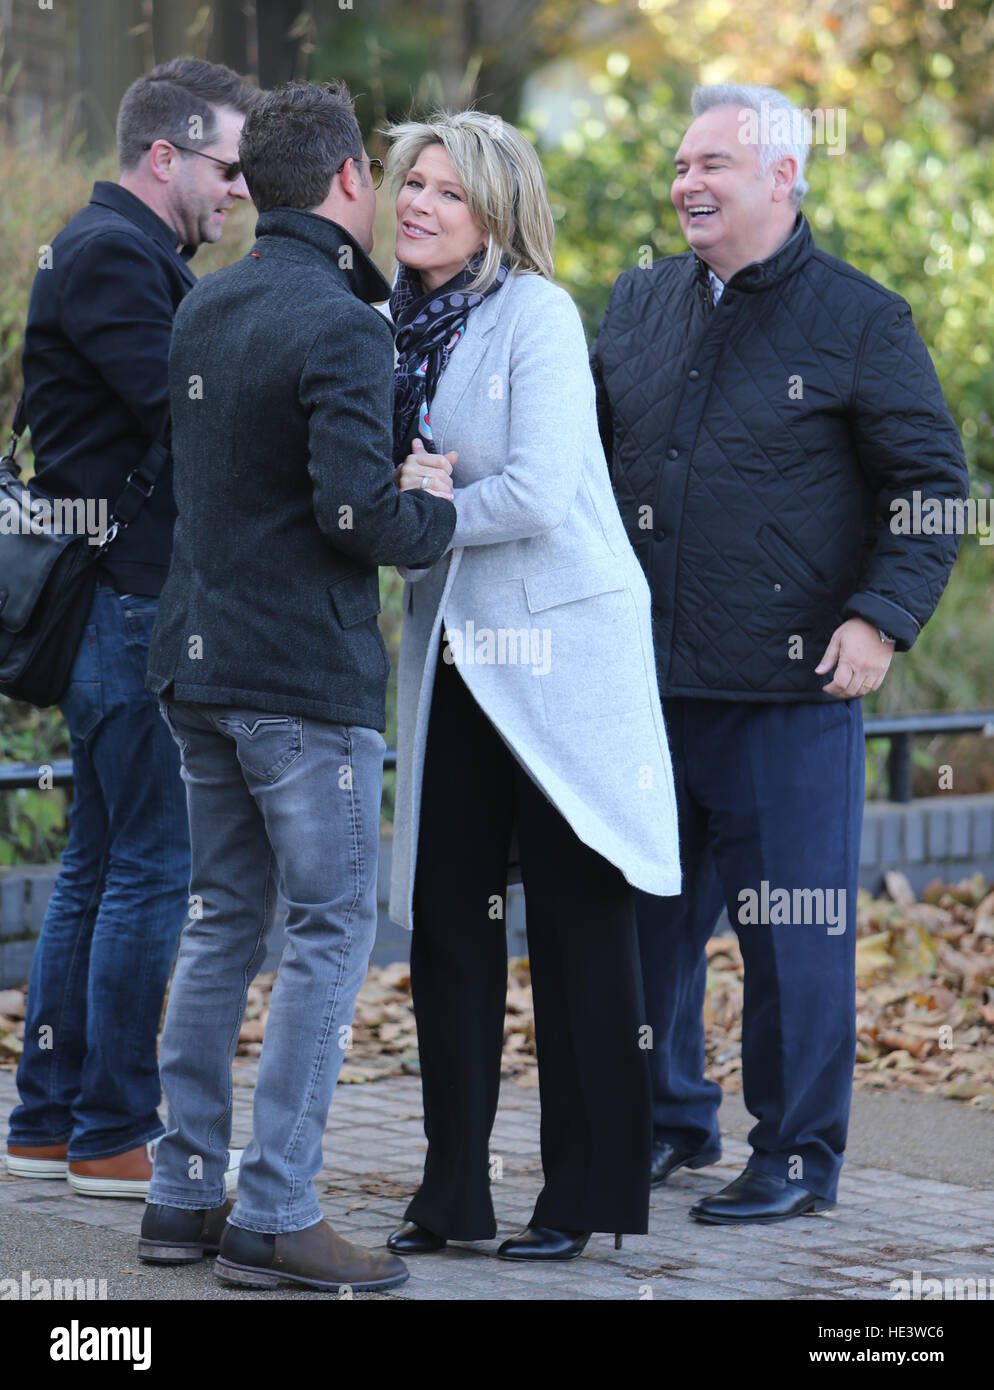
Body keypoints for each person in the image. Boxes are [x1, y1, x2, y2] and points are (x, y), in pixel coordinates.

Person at [590, 83, 968, 1224]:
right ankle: (665, 1122)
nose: (687, 183)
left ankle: (797, 1157)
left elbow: (934, 490)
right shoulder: (638, 302)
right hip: (645, 687)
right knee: (645, 932)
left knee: (790, 943)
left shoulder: (862, 319)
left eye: (713, 163)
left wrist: (879, 617)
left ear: (784, 177)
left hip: (789, 695)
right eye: (679, 164)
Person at [136, 80, 455, 1293]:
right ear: (347, 185)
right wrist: (431, 505)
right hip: (300, 686)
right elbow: (349, 513)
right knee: (328, 934)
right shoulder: (340, 322)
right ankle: (276, 1212)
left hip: (198, 667)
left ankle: (180, 1198)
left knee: (222, 925)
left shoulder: (205, 303)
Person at [383, 110, 681, 1263]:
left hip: (560, 655)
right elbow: (386, 511)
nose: (418, 203)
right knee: (451, 932)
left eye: (448, 193)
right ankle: (450, 1196)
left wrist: (429, 502)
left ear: (496, 214)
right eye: (412, 181)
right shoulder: (379, 326)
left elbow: (545, 493)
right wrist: (410, 500)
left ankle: (585, 1199)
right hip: (455, 655)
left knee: (576, 926)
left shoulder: (537, 318)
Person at [6, 58, 259, 1199]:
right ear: (167, 155)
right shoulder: (115, 255)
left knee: (99, 864)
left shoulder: (116, 249)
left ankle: (53, 1122)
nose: (239, 190)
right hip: (131, 597)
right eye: (226, 166)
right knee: (148, 867)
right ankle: (111, 1129)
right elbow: (185, 411)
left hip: (114, 594)